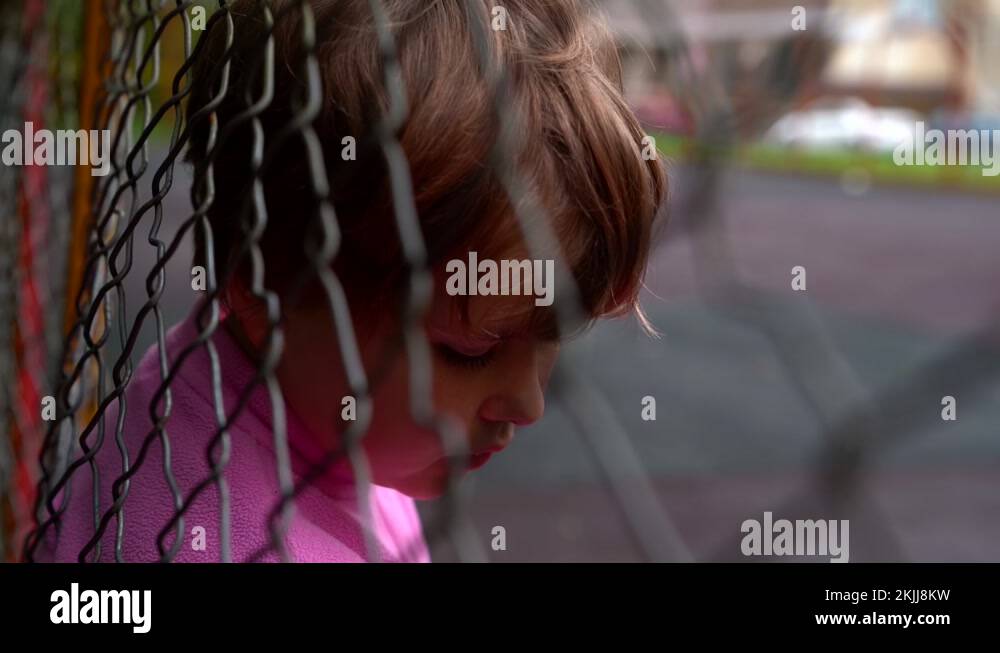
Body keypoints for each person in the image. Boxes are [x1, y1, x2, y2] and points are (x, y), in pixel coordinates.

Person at [38, 0, 666, 562]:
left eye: (555, 331)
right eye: (469, 352)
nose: (529, 405)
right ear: (262, 282)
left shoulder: (257, 393)